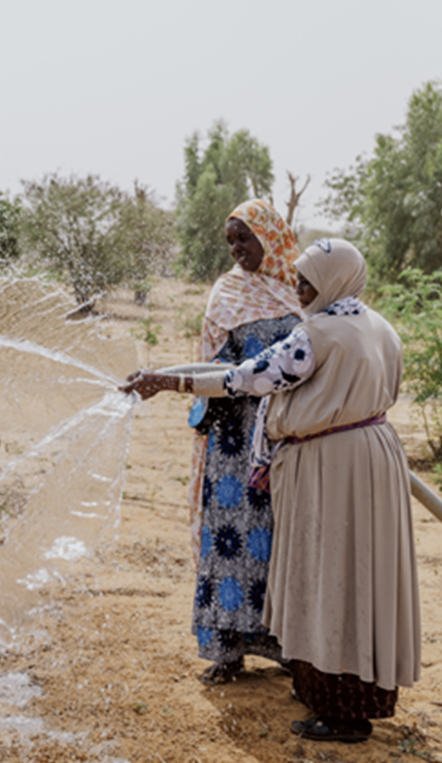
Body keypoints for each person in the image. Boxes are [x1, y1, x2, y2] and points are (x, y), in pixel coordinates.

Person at [123, 238, 422, 743]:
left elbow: (249, 379)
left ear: (332, 281)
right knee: (364, 577)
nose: (299, 290)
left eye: (307, 282)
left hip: (330, 467)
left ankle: (339, 711)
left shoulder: (319, 333)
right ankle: (353, 695)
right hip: (375, 459)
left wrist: (167, 382)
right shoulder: (381, 327)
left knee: (327, 578)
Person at [124, 199, 303, 684]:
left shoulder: (303, 291)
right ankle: (226, 650)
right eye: (230, 241)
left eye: (244, 237)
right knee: (230, 538)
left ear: (273, 237)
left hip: (287, 438)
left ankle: (285, 643)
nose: (237, 249)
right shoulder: (227, 295)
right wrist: (170, 380)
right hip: (234, 440)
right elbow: (215, 366)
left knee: (282, 539)